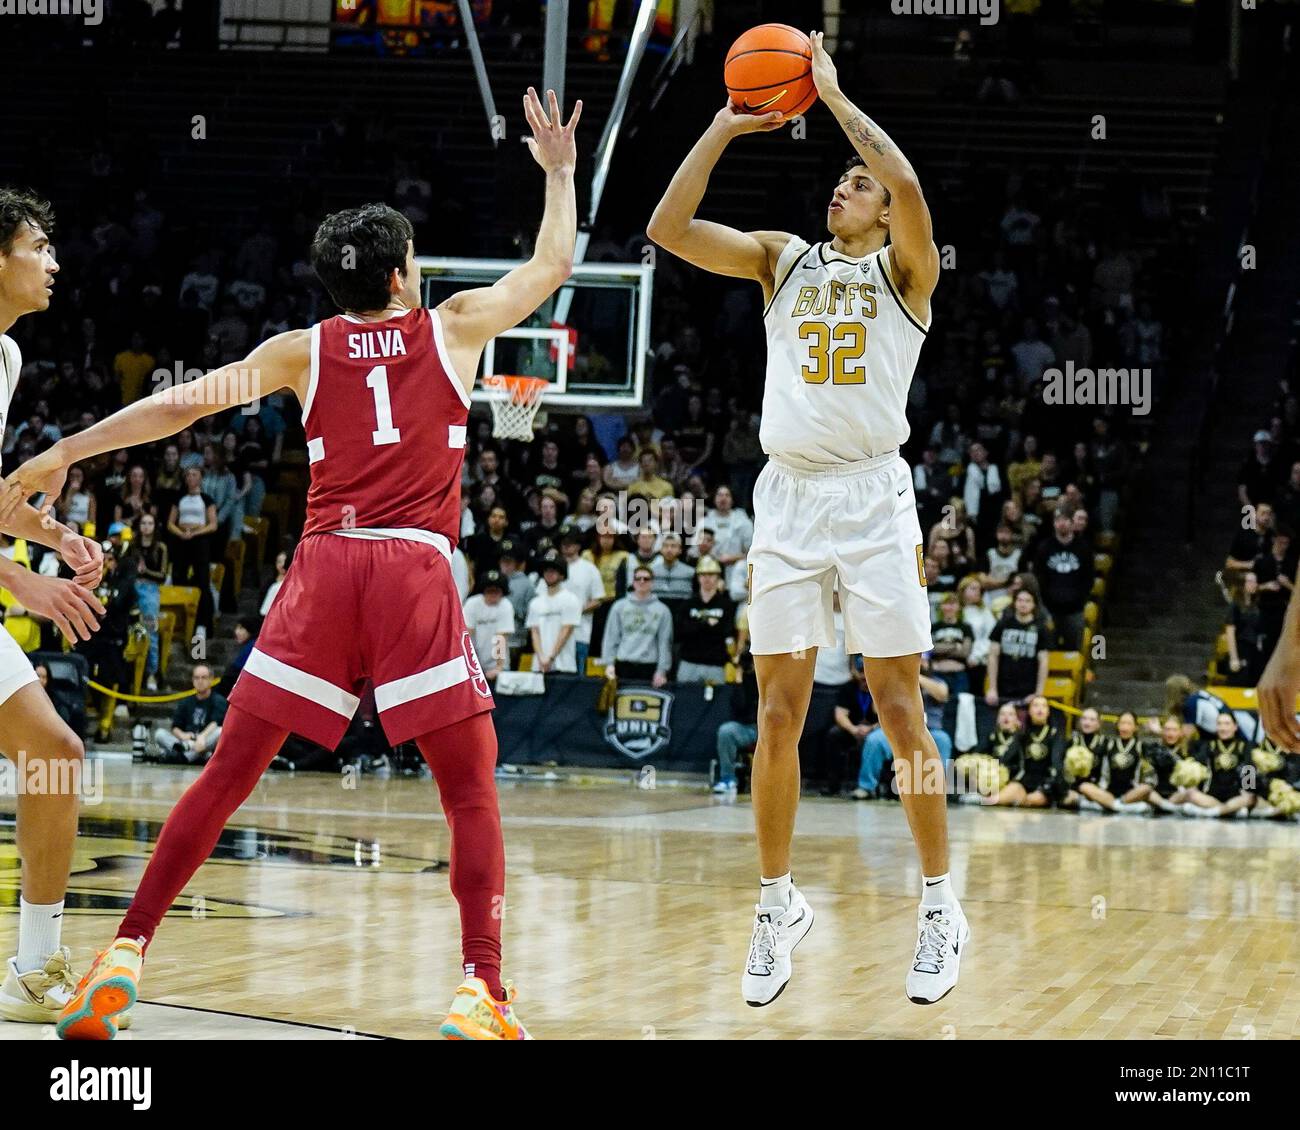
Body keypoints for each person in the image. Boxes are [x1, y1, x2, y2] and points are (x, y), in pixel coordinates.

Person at [4, 88, 582, 1042]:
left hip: (320, 569)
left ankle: (125, 953)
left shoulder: (301, 351)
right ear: (404, 273)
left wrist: (69, 449)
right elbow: (555, 261)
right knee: (469, 790)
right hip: (413, 569)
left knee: (227, 774)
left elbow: (177, 408)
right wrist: (556, 170)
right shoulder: (458, 324)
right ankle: (483, 987)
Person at [647, 31, 967, 1007]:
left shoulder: (907, 274)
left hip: (873, 496)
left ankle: (939, 904)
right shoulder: (781, 261)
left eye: (854, 183)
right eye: (838, 179)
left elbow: (908, 186)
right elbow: (667, 225)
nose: (846, 187)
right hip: (786, 496)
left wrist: (829, 98)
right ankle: (775, 903)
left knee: (897, 699)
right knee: (774, 711)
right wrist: (724, 122)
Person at [0, 188, 109, 1025]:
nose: (54, 262)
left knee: (53, 752)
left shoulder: (4, 359)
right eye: (40, 245)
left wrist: (50, 537)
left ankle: (35, 970)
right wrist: (21, 579)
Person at [853, 668, 951, 800]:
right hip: (897, 728)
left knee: (944, 740)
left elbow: (942, 695)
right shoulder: (893, 680)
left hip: (929, 729)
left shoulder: (937, 681)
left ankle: (934, 790)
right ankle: (866, 787)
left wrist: (915, 677)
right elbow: (876, 709)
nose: (921, 661)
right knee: (874, 740)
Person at [601, 565, 672, 686]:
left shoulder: (663, 610)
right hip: (622, 665)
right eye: (638, 579)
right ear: (633, 582)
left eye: (646, 579)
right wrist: (609, 664)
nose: (642, 582)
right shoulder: (619, 607)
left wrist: (661, 671)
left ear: (652, 583)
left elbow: (665, 643)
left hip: (649, 667)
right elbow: (611, 637)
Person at [122, 512, 168, 692]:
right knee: (129, 628)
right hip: (132, 588)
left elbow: (163, 576)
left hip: (150, 590)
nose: (146, 526)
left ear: (155, 526)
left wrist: (145, 571)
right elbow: (124, 565)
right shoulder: (132, 545)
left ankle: (152, 673)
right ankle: (130, 672)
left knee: (151, 631)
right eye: (143, 523)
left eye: (150, 523)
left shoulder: (161, 547)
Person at [991, 693, 1060, 807]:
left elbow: (1057, 764)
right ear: (1029, 711)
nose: (1040, 709)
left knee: (1029, 800)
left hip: (1045, 784)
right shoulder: (1022, 733)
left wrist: (1047, 787)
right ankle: (983, 799)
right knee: (1003, 796)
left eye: (1043, 706)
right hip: (1024, 782)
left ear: (1048, 711)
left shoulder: (1054, 734)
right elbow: (1006, 758)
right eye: (1035, 705)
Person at [674, 556, 735, 684]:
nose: (707, 578)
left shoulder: (727, 605)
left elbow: (726, 632)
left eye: (711, 574)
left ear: (718, 577)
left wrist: (695, 626)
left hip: (716, 665)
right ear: (698, 577)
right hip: (688, 663)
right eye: (703, 574)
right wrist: (707, 624)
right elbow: (679, 633)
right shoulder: (687, 604)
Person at [153, 665, 227, 764]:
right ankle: (192, 755)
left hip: (205, 740)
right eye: (196, 678)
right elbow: (175, 727)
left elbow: (215, 723)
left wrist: (201, 737)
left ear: (211, 679)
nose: (200, 681)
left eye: (204, 677)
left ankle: (183, 756)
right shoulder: (186, 702)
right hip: (186, 741)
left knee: (219, 732)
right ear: (192, 680)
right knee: (160, 734)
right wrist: (183, 736)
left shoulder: (218, 700)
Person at [526, 553, 581, 675]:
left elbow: (566, 630)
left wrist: (550, 658)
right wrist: (541, 657)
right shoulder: (535, 603)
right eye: (546, 570)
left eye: (553, 570)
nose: (549, 574)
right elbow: (534, 632)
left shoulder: (571, 599)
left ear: (562, 574)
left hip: (564, 665)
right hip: (539, 665)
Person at [714, 648, 758, 794]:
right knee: (726, 731)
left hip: (763, 728)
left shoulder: (765, 679)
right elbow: (740, 706)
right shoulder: (741, 682)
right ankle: (728, 778)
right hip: (746, 727)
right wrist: (739, 679)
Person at [558, 532, 603, 673]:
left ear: (578, 545)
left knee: (578, 679)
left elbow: (598, 600)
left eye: (570, 541)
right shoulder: (552, 567)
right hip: (553, 632)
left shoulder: (589, 569)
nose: (566, 545)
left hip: (579, 633)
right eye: (563, 541)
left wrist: (575, 612)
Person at [462, 570, 514, 681]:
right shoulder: (472, 604)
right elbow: (468, 635)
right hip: (476, 663)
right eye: (490, 591)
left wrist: (499, 667)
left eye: (497, 591)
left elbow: (501, 637)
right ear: (484, 591)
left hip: (499, 665)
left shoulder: (505, 605)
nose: (493, 594)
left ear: (502, 592)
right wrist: (471, 666)